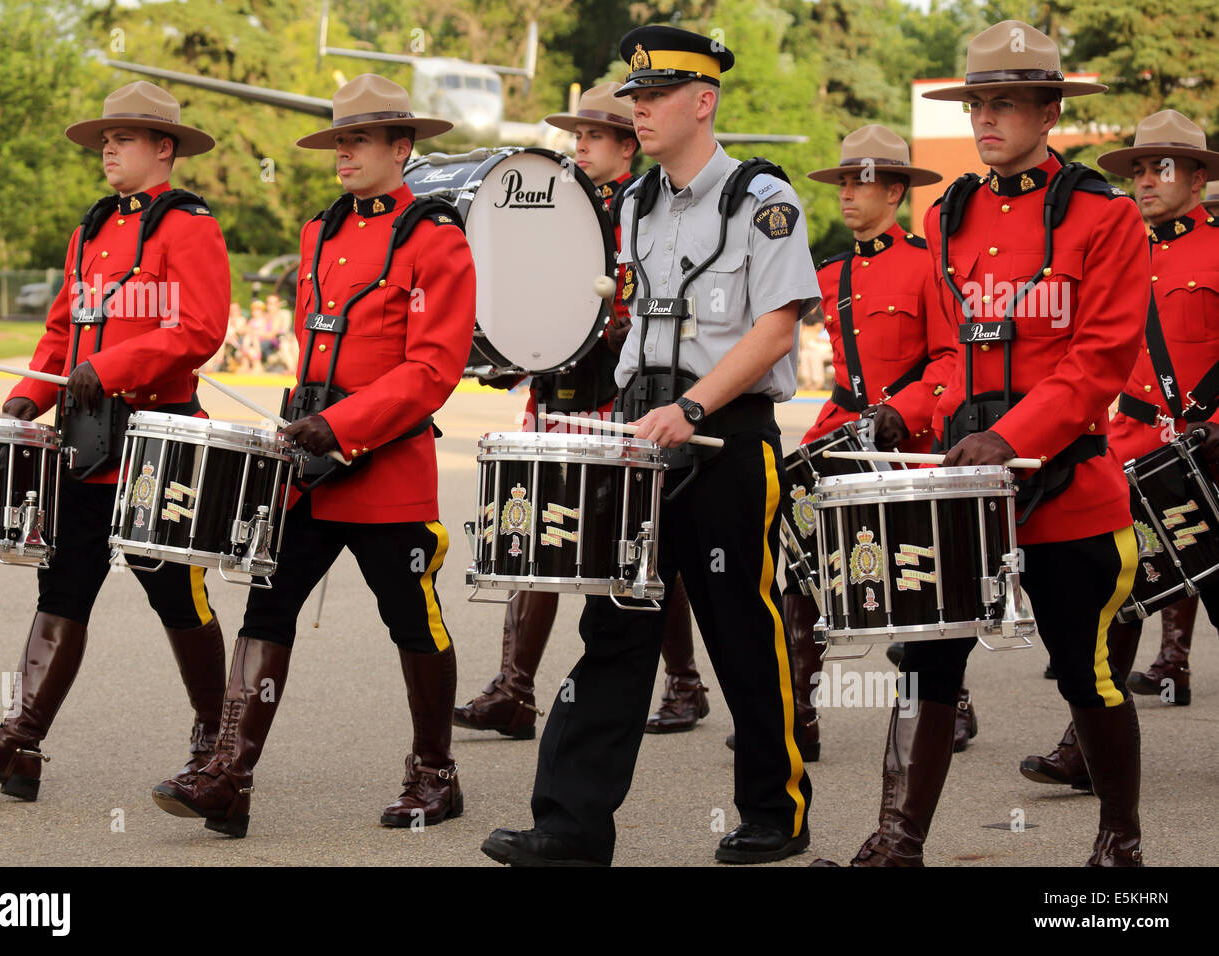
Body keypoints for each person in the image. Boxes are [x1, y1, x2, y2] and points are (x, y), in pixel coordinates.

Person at [816, 20, 1151, 867]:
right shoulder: (951, 214)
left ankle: (1120, 845)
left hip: (1067, 491)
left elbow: (1100, 360)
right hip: (965, 495)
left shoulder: (1102, 215)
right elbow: (952, 358)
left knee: (1087, 675)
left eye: (1005, 103)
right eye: (976, 104)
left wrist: (1010, 437)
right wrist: (902, 414)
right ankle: (894, 846)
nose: (985, 120)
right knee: (928, 662)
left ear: (1048, 111)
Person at [483, 25, 819, 866]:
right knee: (616, 627)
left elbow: (777, 330)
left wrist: (695, 409)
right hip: (643, 437)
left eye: (654, 96)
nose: (637, 111)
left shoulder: (762, 198)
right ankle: (570, 826)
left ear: (703, 102)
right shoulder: (633, 204)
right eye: (632, 97)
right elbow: (628, 326)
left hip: (726, 440)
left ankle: (774, 815)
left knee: (741, 628)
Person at [149, 74, 476, 837]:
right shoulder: (316, 232)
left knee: (410, 618)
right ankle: (229, 776)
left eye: (359, 140)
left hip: (385, 468)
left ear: (403, 148)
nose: (343, 154)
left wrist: (344, 425)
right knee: (267, 608)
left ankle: (436, 774)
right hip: (307, 470)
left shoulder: (437, 236)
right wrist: (309, 430)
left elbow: (432, 371)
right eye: (339, 139)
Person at [0, 81, 231, 801]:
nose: (107, 150)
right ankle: (19, 741)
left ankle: (214, 745)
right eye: (103, 140)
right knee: (62, 585)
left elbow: (199, 329)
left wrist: (108, 369)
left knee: (174, 594)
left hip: (159, 443)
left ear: (164, 149)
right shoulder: (90, 229)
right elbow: (63, 332)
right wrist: (28, 396)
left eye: (122, 138)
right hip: (84, 442)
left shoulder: (190, 226)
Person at [454, 82, 706, 741]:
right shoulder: (560, 206)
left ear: (628, 146)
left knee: (636, 548)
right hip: (555, 395)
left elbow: (661, 304)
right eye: (577, 135)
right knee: (534, 531)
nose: (579, 146)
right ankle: (514, 689)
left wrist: (623, 330)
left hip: (612, 401)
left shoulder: (645, 210)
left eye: (594, 136)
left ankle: (683, 682)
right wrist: (510, 352)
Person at [1021, 110, 1219, 789]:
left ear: (1198, 176)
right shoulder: (1117, 247)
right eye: (1137, 168)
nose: (1145, 181)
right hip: (1133, 449)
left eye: (1162, 167)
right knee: (1120, 598)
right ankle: (1086, 746)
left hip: (1211, 455)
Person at [793, 124, 969, 760]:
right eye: (842, 180)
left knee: (919, 578)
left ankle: (954, 701)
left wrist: (906, 408)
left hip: (910, 440)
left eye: (860, 181)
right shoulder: (830, 271)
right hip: (838, 431)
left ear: (894, 190)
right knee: (799, 565)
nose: (846, 193)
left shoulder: (928, 265)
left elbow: (953, 359)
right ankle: (800, 718)